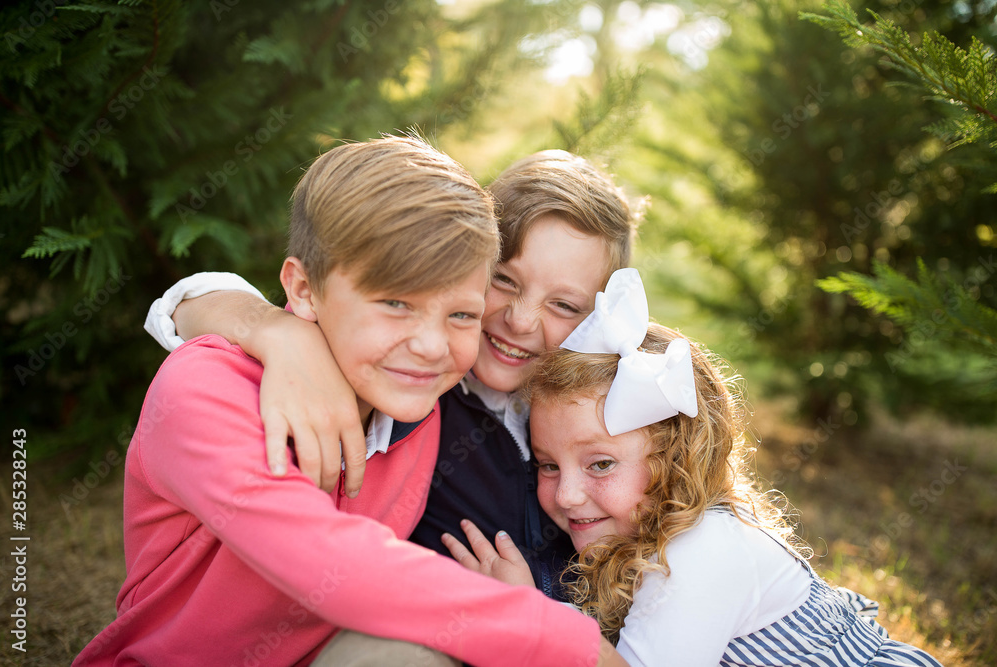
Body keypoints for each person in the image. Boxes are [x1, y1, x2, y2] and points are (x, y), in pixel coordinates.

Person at [76, 136, 624, 667]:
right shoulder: (207, 391)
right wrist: (557, 636)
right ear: (305, 289)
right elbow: (329, 562)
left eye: (460, 314)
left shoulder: (422, 408)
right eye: (396, 303)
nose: (432, 346)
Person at [449, 268, 945, 666]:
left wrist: (529, 613)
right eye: (549, 466)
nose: (567, 495)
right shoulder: (648, 542)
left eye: (600, 463)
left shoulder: (698, 550)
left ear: (678, 461)